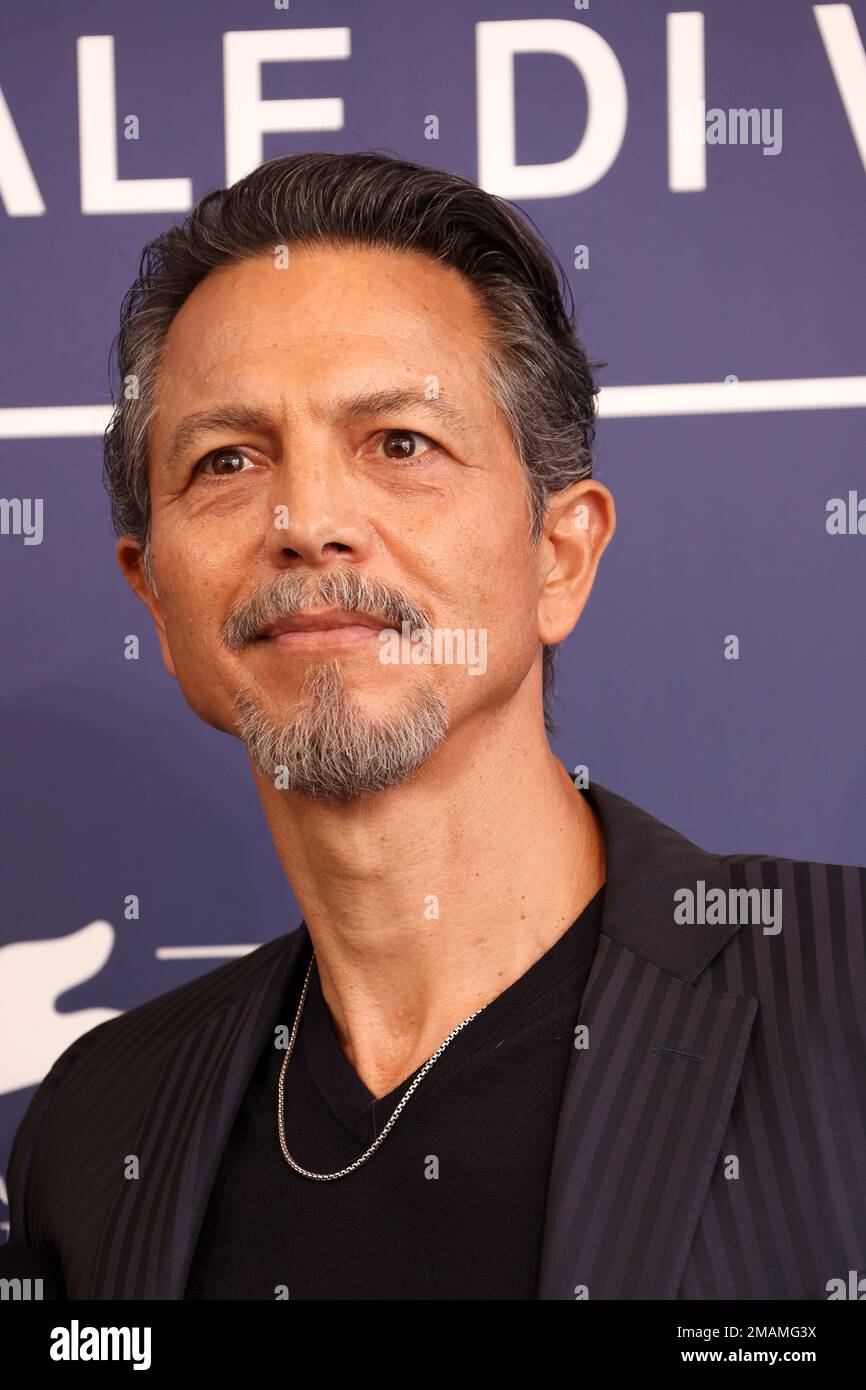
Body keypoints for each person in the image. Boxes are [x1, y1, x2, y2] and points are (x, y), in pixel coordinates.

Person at [4, 153, 864, 1300]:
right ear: (155, 601)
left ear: (557, 554)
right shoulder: (96, 1126)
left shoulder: (845, 987)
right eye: (226, 460)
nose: (308, 521)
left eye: (399, 443)